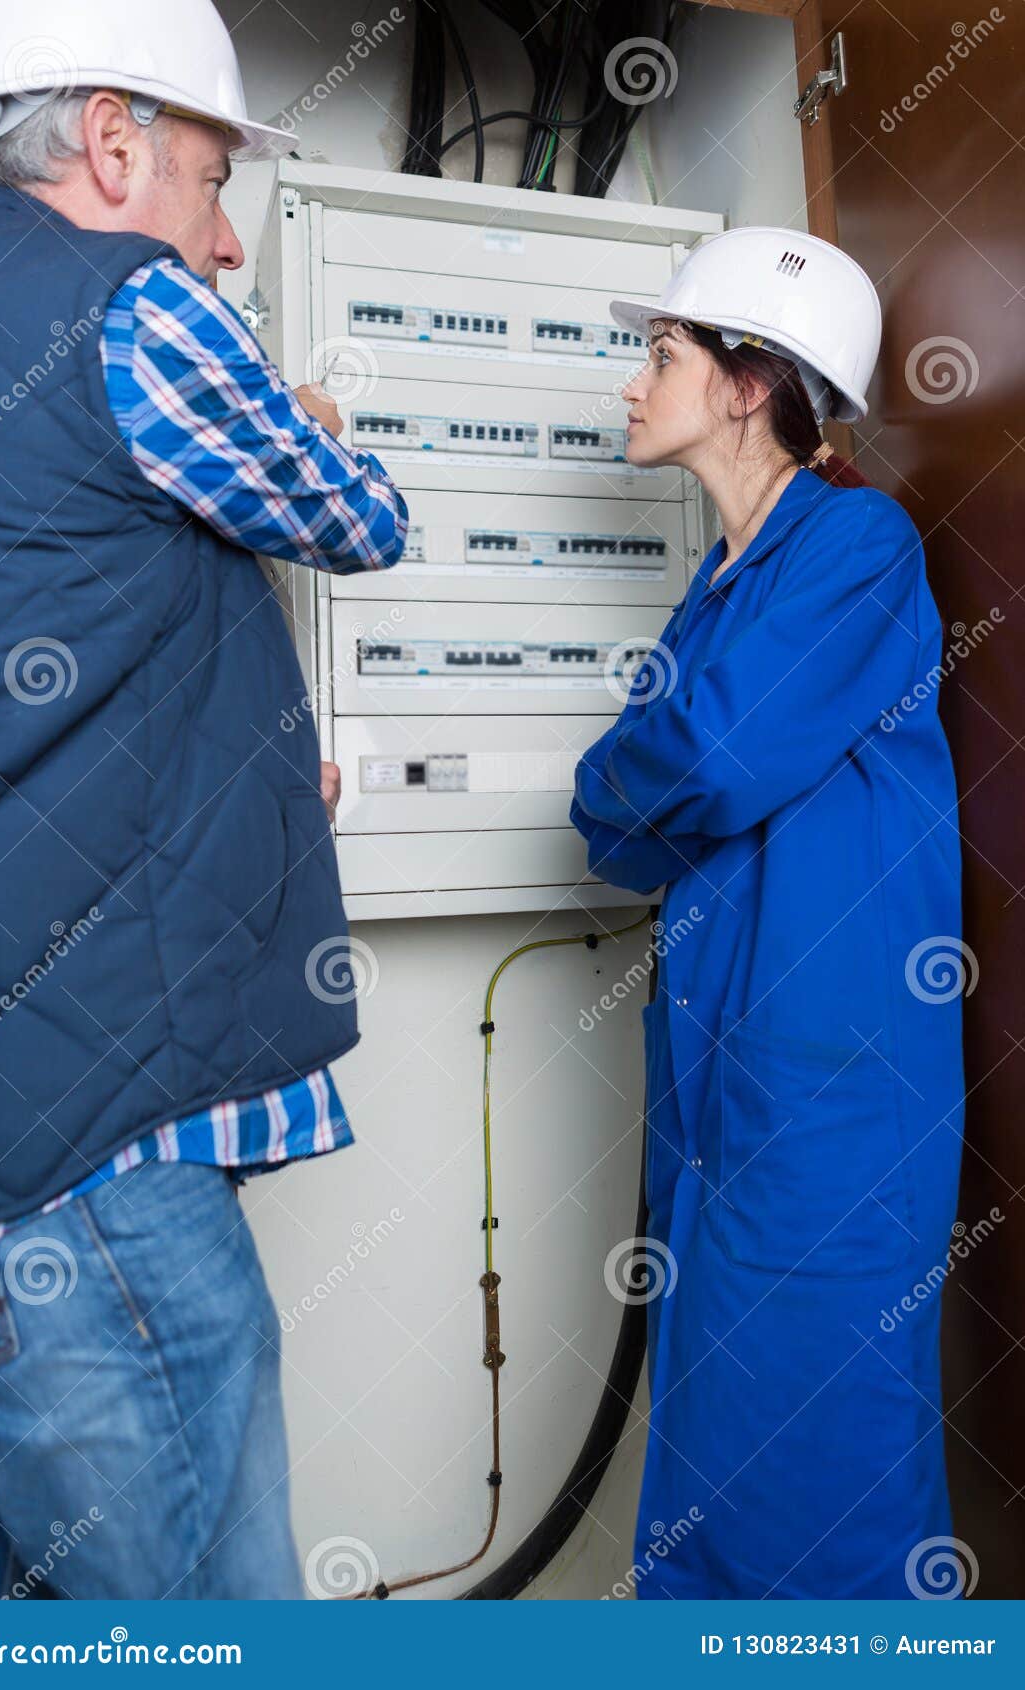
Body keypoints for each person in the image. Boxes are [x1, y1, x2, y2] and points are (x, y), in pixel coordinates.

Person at [0, 0, 406, 1598]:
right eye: (214, 185)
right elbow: (357, 519)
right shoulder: (131, 308)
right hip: (90, 1158)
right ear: (112, 139)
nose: (222, 244)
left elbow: (49, 634)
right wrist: (321, 423)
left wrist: (246, 783)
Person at [571, 227, 965, 1599]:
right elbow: (609, 824)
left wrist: (660, 762)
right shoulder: (724, 583)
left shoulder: (857, 544)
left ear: (752, 382)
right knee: (716, 1506)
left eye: (662, 353)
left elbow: (704, 761)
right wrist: (658, 764)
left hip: (828, 1108)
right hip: (722, 1103)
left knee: (827, 1502)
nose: (634, 381)